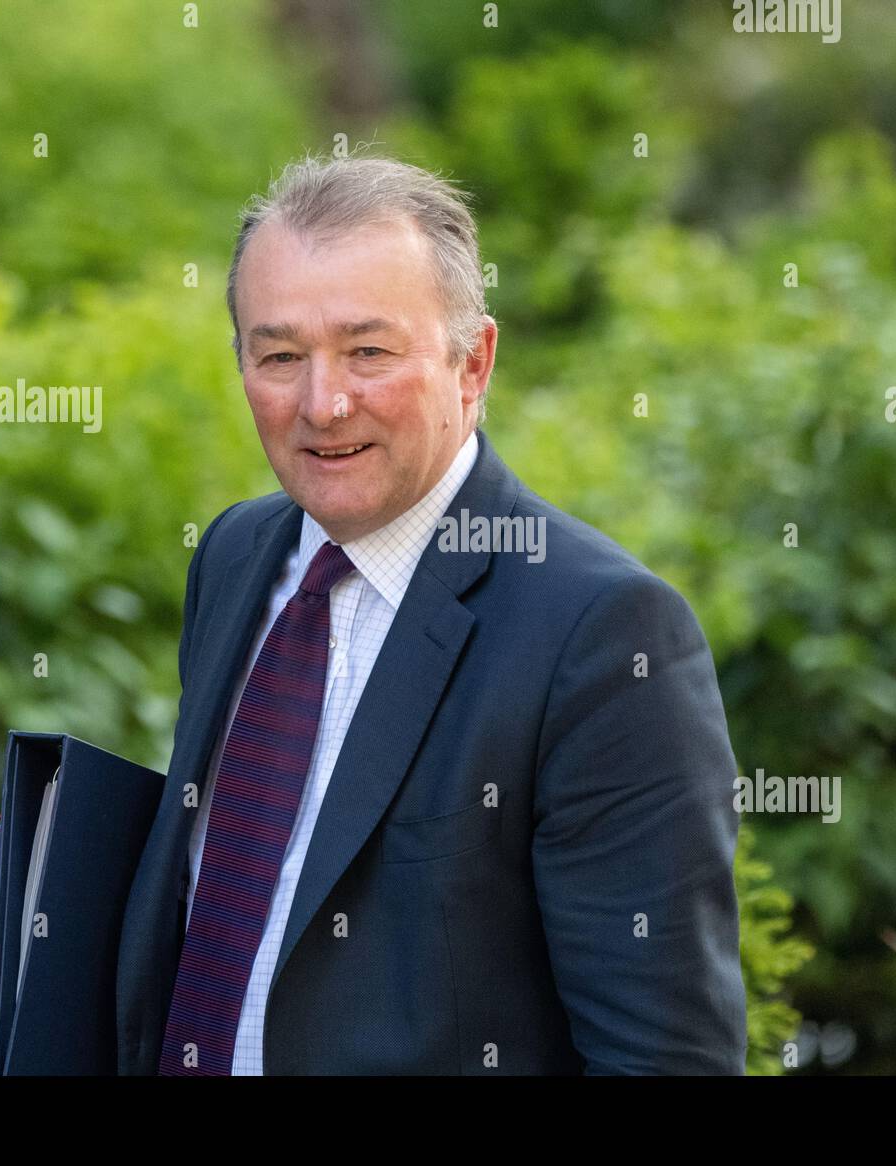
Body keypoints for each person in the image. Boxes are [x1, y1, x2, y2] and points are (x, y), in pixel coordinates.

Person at [115, 152, 747, 1075]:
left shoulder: (604, 635)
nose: (323, 404)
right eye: (280, 355)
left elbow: (663, 1058)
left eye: (369, 352)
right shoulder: (236, 557)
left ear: (473, 361)